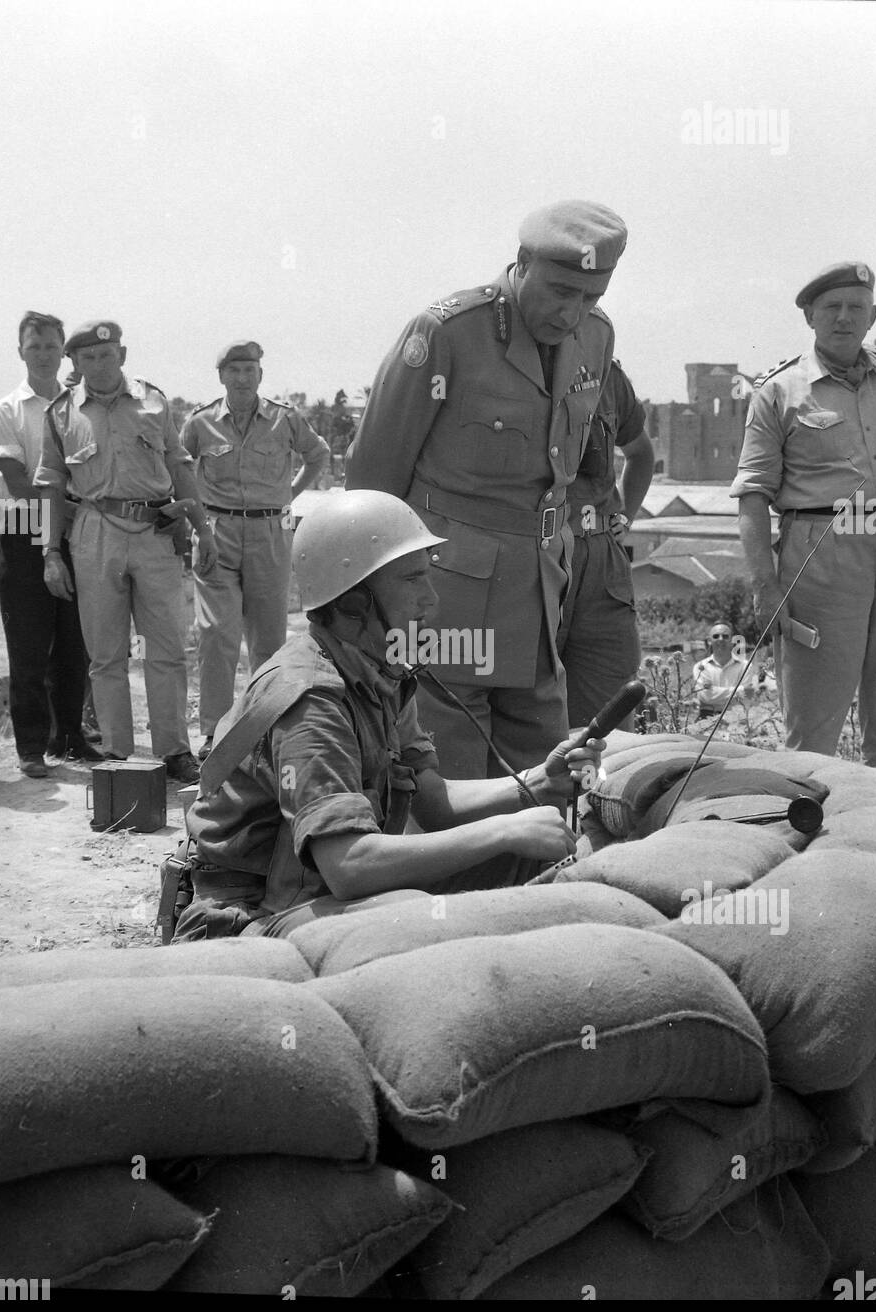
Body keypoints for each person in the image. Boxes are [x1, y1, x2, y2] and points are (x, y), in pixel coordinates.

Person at [175, 490, 602, 942]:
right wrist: (501, 831)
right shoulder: (311, 699)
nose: (430, 599)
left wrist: (535, 782)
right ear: (355, 598)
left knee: (529, 858)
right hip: (245, 919)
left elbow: (433, 804)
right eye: (412, 580)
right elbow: (348, 865)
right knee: (411, 915)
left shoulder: (379, 668)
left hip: (314, 898)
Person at [346, 199, 627, 779]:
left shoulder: (596, 338)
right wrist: (377, 603)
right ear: (521, 262)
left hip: (542, 591)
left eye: (589, 297)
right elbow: (373, 480)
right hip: (446, 598)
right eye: (558, 290)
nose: (571, 312)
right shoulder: (447, 332)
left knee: (542, 771)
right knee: (448, 771)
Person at [732, 261, 876, 781]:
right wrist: (765, 587)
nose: (844, 318)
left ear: (872, 316)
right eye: (832, 308)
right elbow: (753, 495)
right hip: (820, 551)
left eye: (856, 308)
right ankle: (808, 829)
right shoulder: (779, 391)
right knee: (815, 716)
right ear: (810, 316)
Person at [34, 320, 217, 784]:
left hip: (155, 532)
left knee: (168, 648)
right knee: (106, 654)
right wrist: (50, 552)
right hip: (94, 531)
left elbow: (180, 464)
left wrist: (203, 530)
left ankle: (174, 751)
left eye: (107, 354)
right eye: (88, 357)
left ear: (123, 355)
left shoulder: (153, 401)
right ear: (74, 362)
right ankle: (117, 755)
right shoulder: (60, 414)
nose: (99, 364)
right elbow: (51, 485)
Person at [179, 340, 331, 758]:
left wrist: (290, 495)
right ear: (222, 376)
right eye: (234, 371)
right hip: (217, 532)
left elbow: (319, 456)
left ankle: (264, 729)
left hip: (271, 531)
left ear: (260, 375)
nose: (242, 378)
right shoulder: (199, 423)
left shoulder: (285, 420)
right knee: (216, 634)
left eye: (250, 370)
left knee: (269, 638)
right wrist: (195, 523)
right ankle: (214, 733)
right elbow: (179, 472)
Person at [0, 311, 100, 777]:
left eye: (53, 346)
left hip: (79, 536)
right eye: (35, 347)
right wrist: (65, 510)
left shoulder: (84, 406)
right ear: (21, 352)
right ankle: (31, 746)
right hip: (24, 534)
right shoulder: (7, 410)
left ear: (64, 352)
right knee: (30, 645)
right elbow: (15, 480)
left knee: (76, 643)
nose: (44, 355)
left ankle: (69, 736)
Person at [557, 358, 655, 728]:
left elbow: (641, 452)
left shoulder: (606, 372)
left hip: (600, 564)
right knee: (525, 720)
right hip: (535, 559)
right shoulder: (509, 363)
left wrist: (625, 517)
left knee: (610, 723)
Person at [691, 623, 758, 719]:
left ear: (732, 640)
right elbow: (705, 696)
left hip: (737, 718)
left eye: (725, 636)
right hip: (706, 718)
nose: (720, 639)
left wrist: (715, 693)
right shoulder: (700, 667)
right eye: (716, 636)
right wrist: (739, 690)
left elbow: (748, 696)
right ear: (709, 641)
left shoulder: (746, 666)